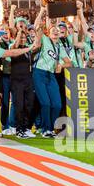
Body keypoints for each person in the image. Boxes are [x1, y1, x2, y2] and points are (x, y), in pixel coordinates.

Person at [29, 8, 66, 137]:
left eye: (57, 30)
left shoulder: (60, 46)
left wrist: (61, 64)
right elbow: (36, 26)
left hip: (51, 75)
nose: (55, 31)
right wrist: (42, 12)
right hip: (39, 72)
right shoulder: (44, 40)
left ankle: (49, 128)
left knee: (57, 104)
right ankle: (45, 129)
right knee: (45, 103)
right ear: (48, 33)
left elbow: (69, 62)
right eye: (53, 30)